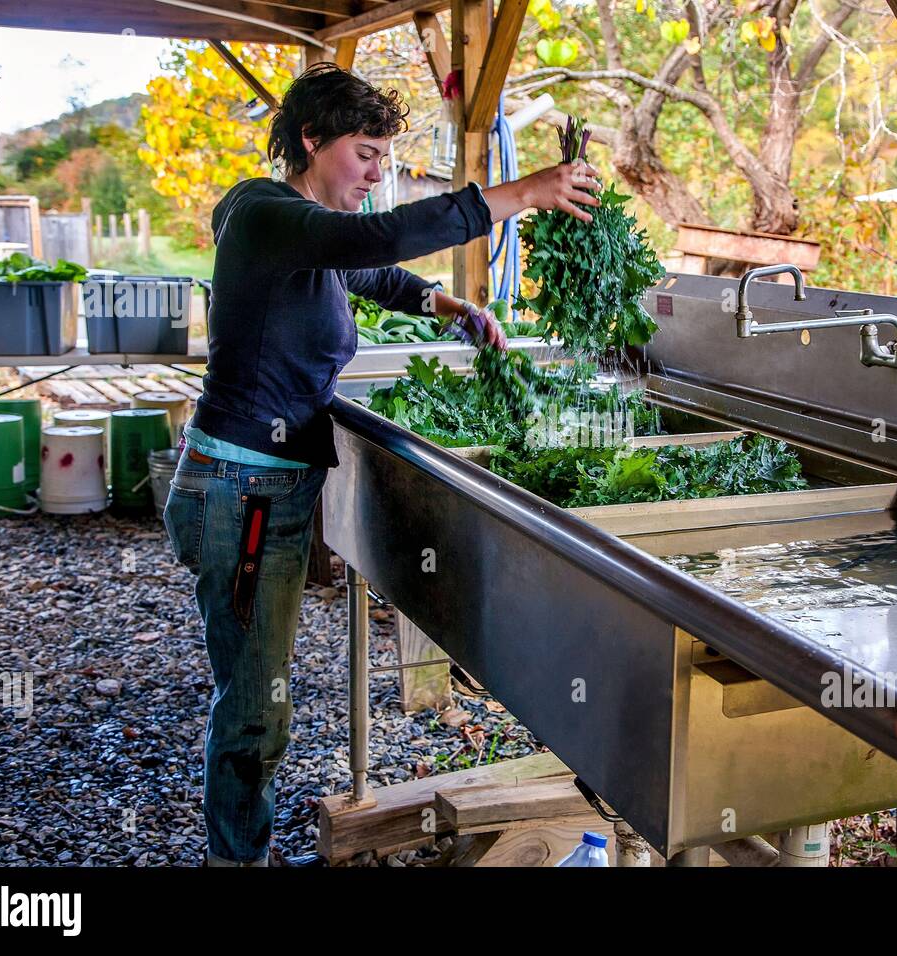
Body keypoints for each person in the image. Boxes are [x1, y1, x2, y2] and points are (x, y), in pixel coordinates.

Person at [162, 62, 601, 867]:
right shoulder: (266, 213)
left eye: (383, 156)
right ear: (310, 140)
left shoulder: (298, 229)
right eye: (365, 153)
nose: (376, 172)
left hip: (263, 484)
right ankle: (235, 859)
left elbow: (369, 267)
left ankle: (240, 849)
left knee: (259, 695)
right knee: (256, 706)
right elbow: (379, 238)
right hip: (242, 491)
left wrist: (449, 304)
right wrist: (521, 193)